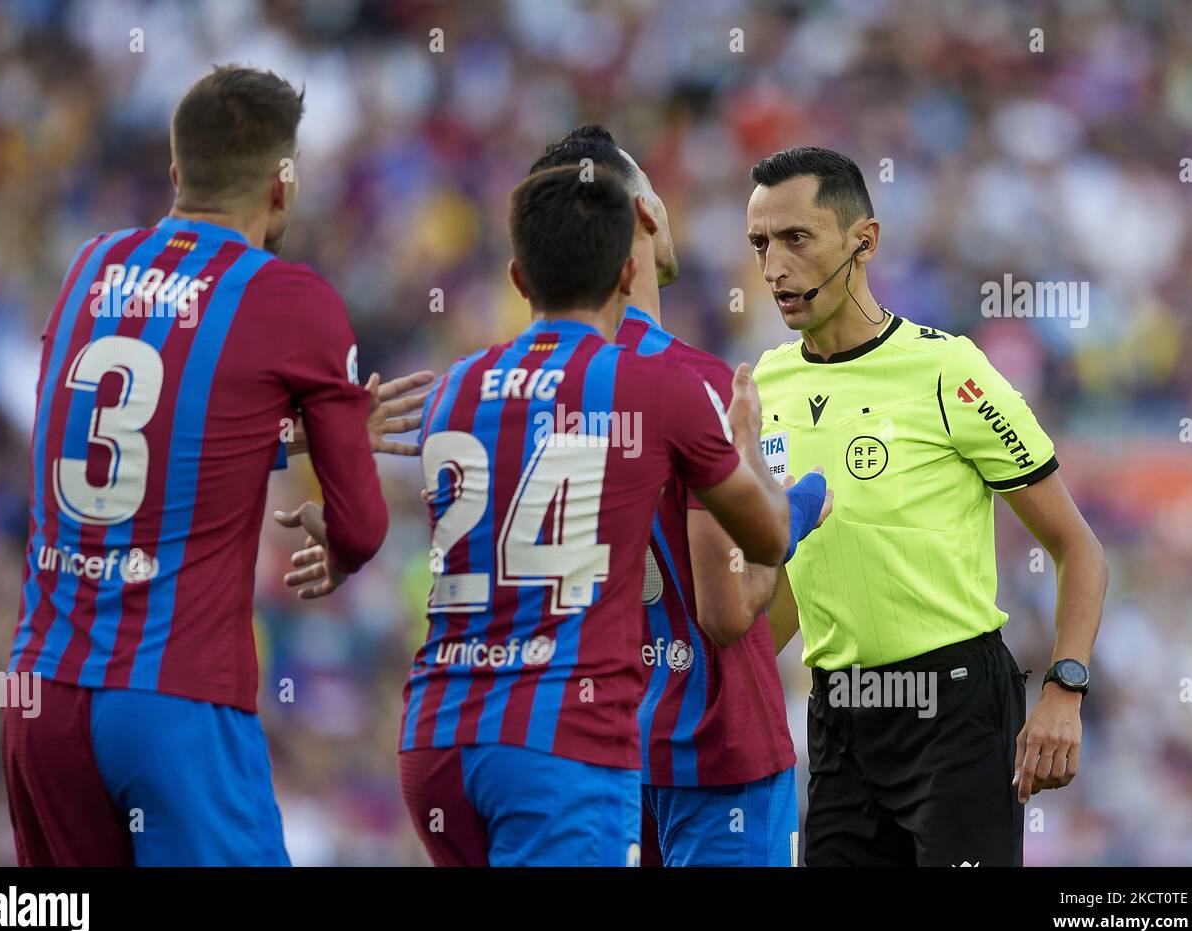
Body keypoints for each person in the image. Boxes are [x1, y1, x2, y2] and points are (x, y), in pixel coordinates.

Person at [1, 65, 416, 866]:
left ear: (174, 172)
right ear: (283, 185)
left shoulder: (87, 268)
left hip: (41, 694)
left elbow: (108, 440)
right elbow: (363, 529)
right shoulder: (289, 298)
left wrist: (276, 441)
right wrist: (338, 516)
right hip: (175, 704)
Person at [389, 165, 788, 866]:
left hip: (434, 742)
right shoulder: (665, 386)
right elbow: (762, 544)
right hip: (560, 744)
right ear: (624, 276)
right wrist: (772, 473)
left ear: (517, 278)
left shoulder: (454, 388)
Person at [748, 146, 1109, 866]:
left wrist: (1065, 689)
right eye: (760, 244)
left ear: (864, 242)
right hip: (838, 717)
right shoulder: (767, 382)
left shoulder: (949, 369)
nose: (772, 269)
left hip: (955, 711)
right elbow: (796, 571)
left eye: (796, 239)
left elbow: (1079, 547)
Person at [527, 125, 830, 866]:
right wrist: (789, 521)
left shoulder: (519, 387)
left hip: (592, 749)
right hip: (715, 749)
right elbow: (724, 615)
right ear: (646, 217)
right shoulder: (689, 381)